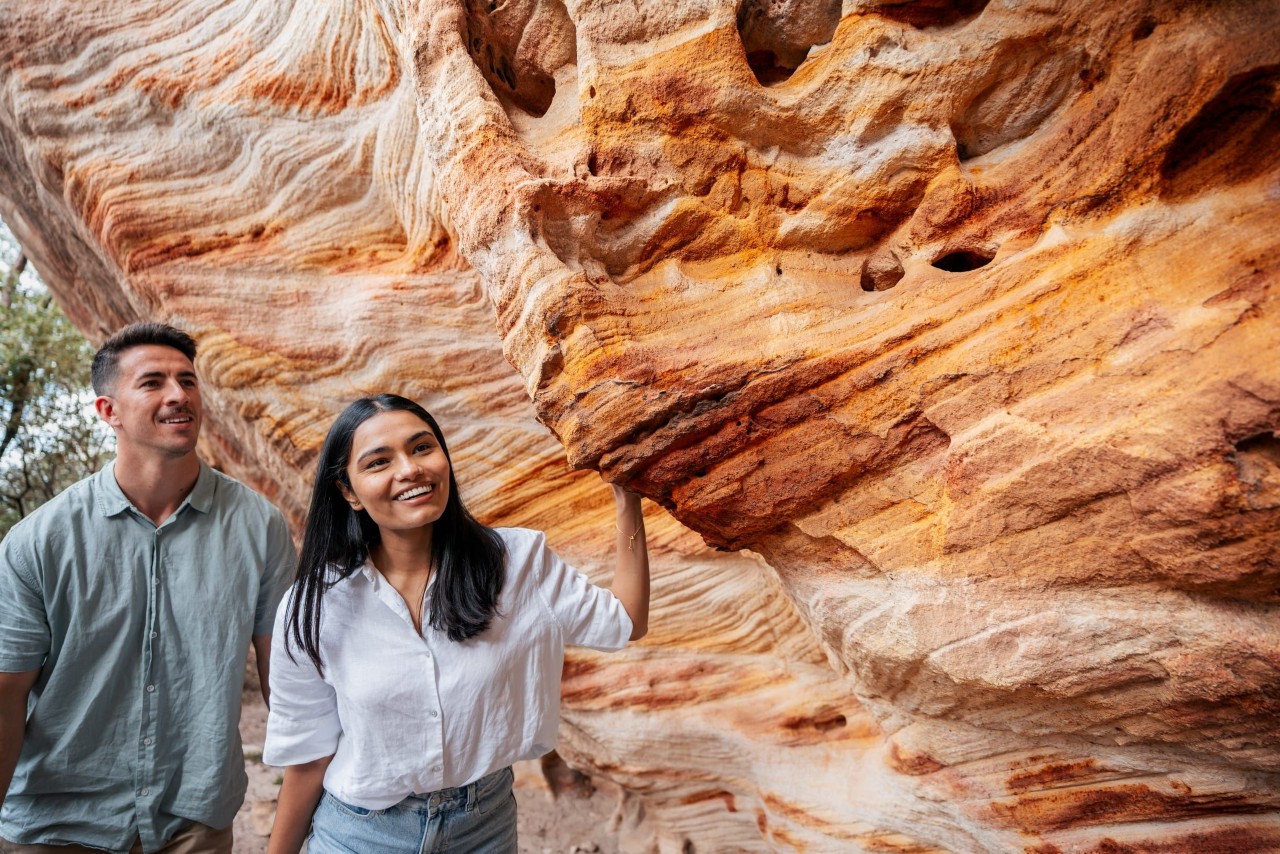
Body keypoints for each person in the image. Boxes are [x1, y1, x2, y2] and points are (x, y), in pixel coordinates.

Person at [263, 393, 650, 854]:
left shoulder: (517, 563)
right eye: (379, 462)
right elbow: (308, 757)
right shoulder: (315, 605)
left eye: (422, 447)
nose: (410, 469)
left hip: (483, 830)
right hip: (361, 834)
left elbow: (625, 620)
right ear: (349, 492)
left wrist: (628, 500)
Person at [0, 322, 296, 854]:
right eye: (153, 382)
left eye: (188, 380)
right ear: (108, 411)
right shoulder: (38, 541)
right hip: (55, 824)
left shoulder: (260, 527)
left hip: (193, 823)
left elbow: (288, 684)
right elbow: (5, 697)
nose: (178, 394)